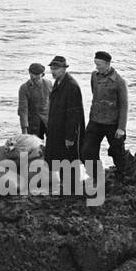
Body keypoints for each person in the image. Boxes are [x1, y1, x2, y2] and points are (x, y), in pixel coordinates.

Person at [81, 51, 129, 189]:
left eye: (99, 65)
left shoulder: (119, 82)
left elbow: (124, 106)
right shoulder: (94, 76)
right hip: (95, 120)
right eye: (95, 64)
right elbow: (94, 93)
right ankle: (96, 176)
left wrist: (121, 128)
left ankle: (122, 178)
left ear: (108, 64)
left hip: (113, 123)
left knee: (117, 152)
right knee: (86, 151)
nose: (97, 68)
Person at [45, 55, 85, 193]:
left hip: (67, 131)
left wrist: (70, 136)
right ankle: (65, 187)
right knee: (61, 160)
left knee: (69, 161)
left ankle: (73, 190)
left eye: (56, 68)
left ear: (64, 69)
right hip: (57, 129)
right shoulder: (58, 83)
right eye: (51, 68)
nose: (53, 71)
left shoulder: (71, 86)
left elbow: (74, 114)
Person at [18, 63, 52, 139]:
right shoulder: (24, 88)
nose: (33, 76)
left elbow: (54, 103)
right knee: (32, 146)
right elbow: (23, 110)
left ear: (42, 74)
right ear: (29, 73)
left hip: (48, 121)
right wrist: (24, 129)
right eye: (32, 74)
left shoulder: (48, 84)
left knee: (53, 145)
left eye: (37, 74)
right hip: (32, 123)